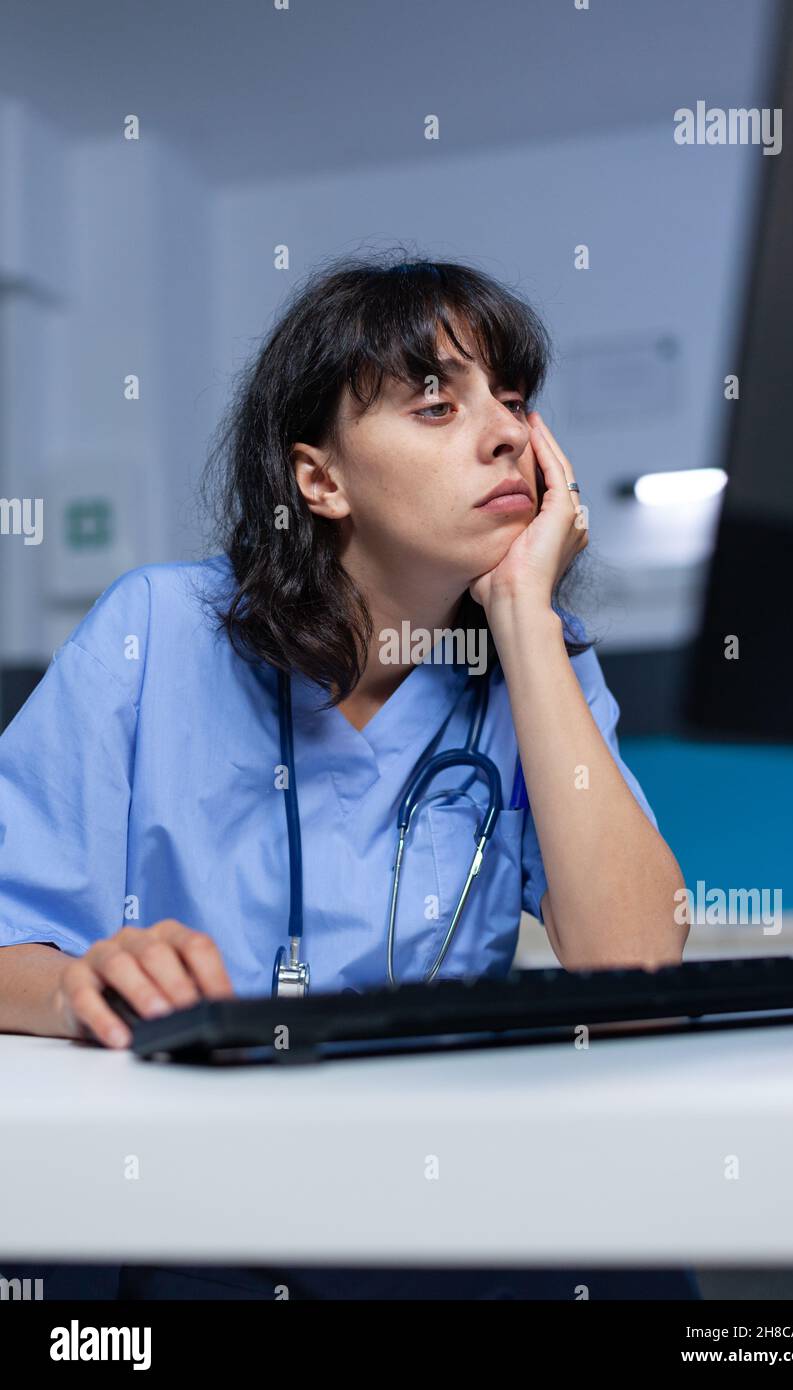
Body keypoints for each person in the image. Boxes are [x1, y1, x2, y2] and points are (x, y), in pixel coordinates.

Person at [0, 253, 697, 1300]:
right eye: (436, 405)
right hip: (194, 1185)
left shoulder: (539, 668)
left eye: (513, 401)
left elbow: (635, 976)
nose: (507, 433)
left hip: (442, 1189)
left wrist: (522, 617)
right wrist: (77, 987)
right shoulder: (154, 633)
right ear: (319, 480)